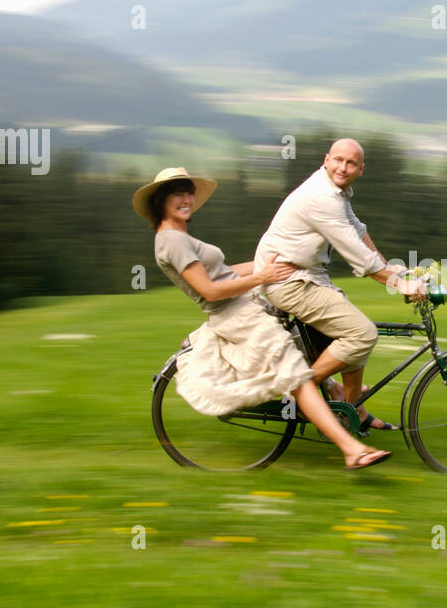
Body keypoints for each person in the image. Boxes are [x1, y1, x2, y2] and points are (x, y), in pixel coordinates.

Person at [133, 166, 391, 471]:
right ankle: (352, 451)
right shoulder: (171, 241)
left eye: (189, 193)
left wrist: (268, 266)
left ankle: (344, 402)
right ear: (160, 201)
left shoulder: (178, 236)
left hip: (246, 306)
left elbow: (223, 273)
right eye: (178, 194)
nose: (186, 199)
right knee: (296, 376)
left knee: (308, 348)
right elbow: (210, 291)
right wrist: (262, 277)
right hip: (239, 317)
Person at [254, 139, 423, 433]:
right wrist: (398, 284)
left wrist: (388, 267)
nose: (343, 168)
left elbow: (358, 231)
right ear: (327, 160)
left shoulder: (336, 191)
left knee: (353, 333)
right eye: (338, 160)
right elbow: (354, 250)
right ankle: (301, 391)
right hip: (290, 282)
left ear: (361, 169)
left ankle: (352, 410)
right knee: (362, 333)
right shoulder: (323, 197)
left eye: (351, 163)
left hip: (307, 277)